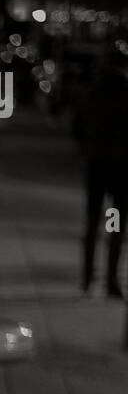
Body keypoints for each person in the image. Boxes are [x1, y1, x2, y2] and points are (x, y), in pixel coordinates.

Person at [75, 46, 128, 298]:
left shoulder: (93, 92)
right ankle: (110, 279)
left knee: (93, 222)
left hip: (97, 166)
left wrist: (86, 146)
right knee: (115, 224)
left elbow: (78, 126)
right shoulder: (125, 93)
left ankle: (87, 278)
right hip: (119, 171)